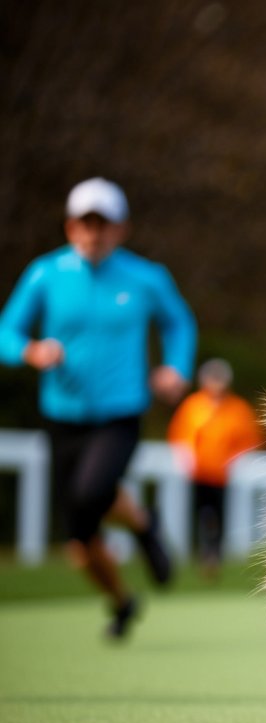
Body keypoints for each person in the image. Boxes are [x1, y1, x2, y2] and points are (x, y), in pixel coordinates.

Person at [0, 177, 196, 638]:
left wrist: (175, 368)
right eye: (85, 224)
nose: (93, 233)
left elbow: (179, 324)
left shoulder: (146, 278)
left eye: (103, 224)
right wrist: (30, 352)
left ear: (120, 229)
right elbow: (6, 331)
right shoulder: (45, 274)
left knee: (92, 492)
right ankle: (124, 597)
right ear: (70, 227)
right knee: (79, 546)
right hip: (62, 414)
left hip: (120, 411)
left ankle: (143, 529)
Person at [168, 357, 263, 576]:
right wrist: (186, 456)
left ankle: (214, 555)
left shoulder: (238, 408)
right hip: (197, 473)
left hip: (223, 476)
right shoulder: (192, 405)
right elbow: (180, 435)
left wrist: (234, 458)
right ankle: (197, 553)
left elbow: (249, 440)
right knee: (198, 513)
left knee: (219, 516)